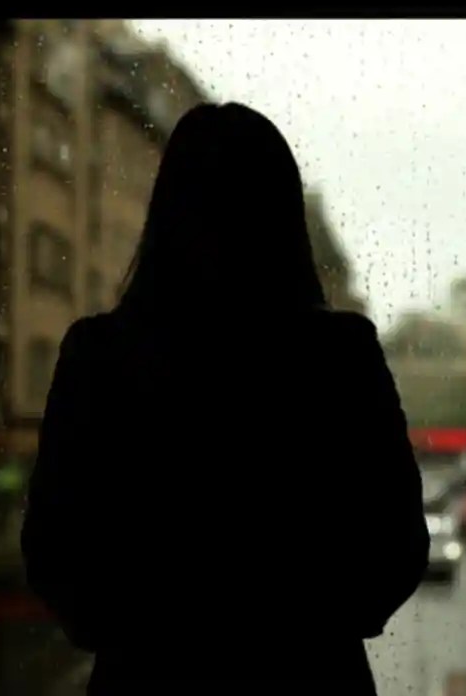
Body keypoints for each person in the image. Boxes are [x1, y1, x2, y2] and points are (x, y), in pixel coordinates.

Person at [21, 102, 430, 696]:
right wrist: (315, 625)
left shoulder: (100, 354)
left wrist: (135, 632)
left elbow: (54, 548)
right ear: (284, 219)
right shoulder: (339, 355)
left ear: (166, 210)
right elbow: (396, 543)